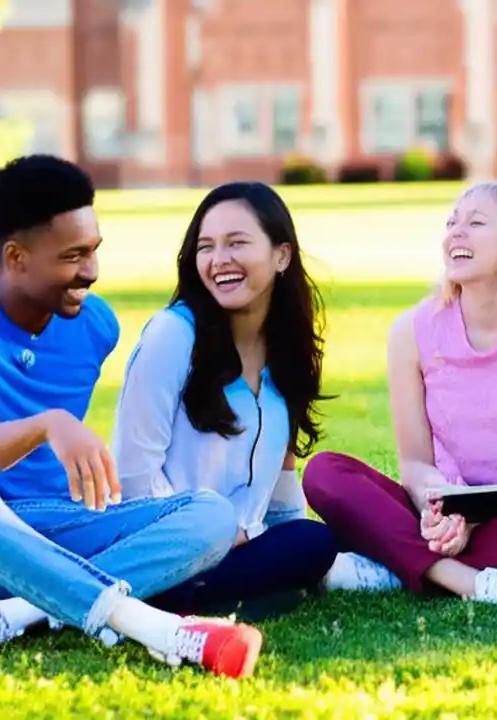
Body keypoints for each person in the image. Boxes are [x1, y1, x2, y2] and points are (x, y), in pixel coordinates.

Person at [0, 155, 261, 678]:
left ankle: (12, 615)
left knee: (212, 515)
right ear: (16, 256)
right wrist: (49, 424)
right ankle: (157, 629)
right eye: (73, 257)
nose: (91, 272)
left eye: (94, 251)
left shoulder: (95, 326)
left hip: (58, 530)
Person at [302, 181, 497, 607]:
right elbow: (416, 465)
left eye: (475, 223)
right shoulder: (411, 331)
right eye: (451, 223)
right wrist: (438, 513)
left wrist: (473, 521)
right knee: (325, 472)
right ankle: (468, 582)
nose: (455, 233)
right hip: (437, 512)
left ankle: (392, 566)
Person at [112, 182, 338, 616]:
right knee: (297, 557)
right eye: (206, 247)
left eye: (237, 244)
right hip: (160, 541)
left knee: (313, 542)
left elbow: (282, 484)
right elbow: (133, 476)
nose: (219, 261)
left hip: (237, 552)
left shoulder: (289, 352)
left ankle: (189, 598)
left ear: (281, 255)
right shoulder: (173, 335)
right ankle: (170, 595)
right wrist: (210, 531)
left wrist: (293, 550)